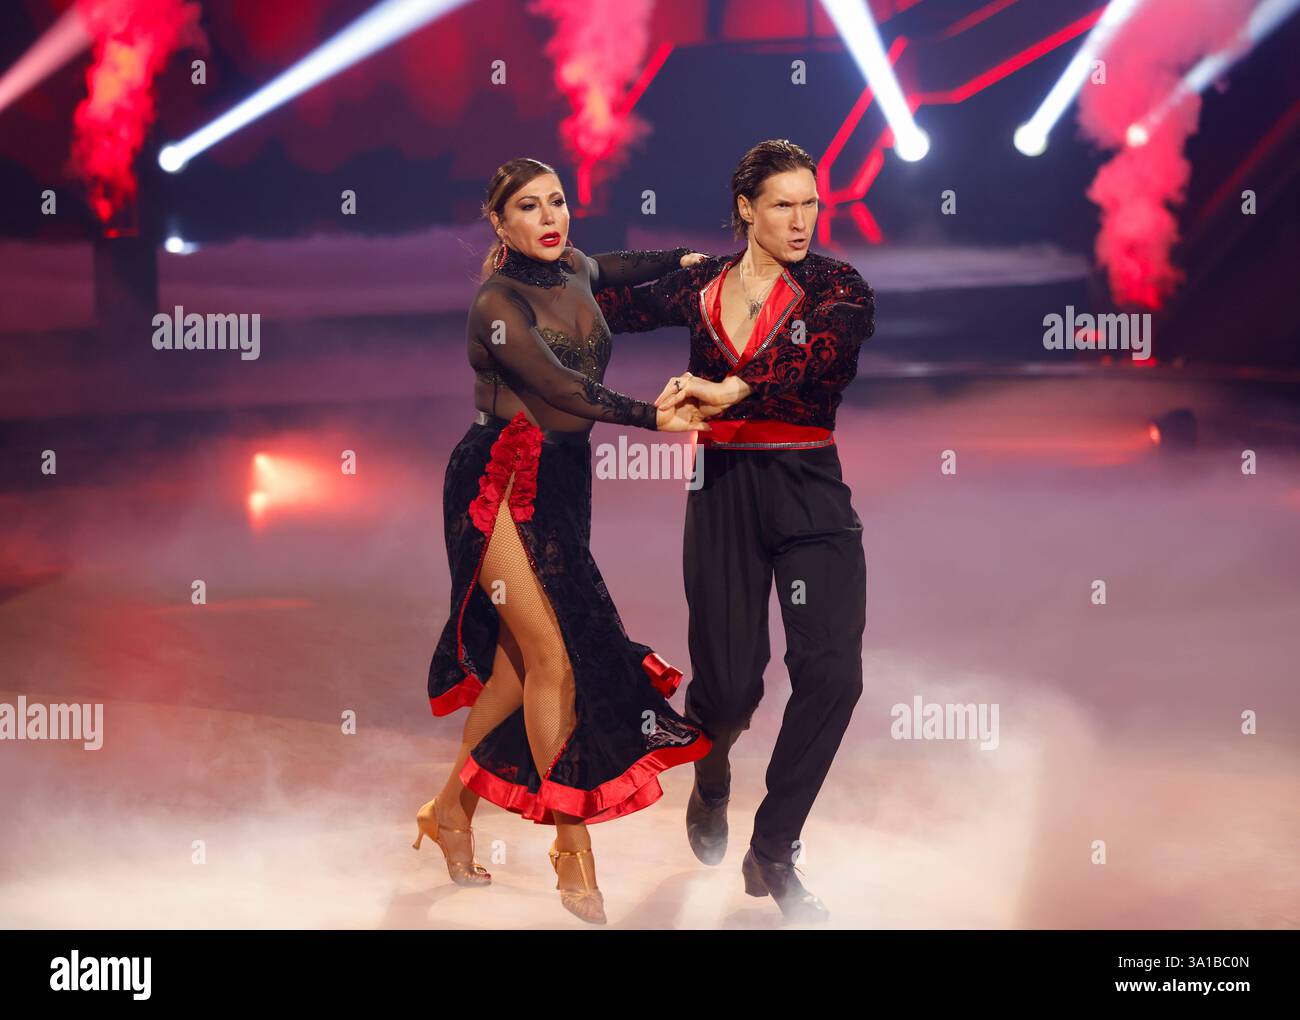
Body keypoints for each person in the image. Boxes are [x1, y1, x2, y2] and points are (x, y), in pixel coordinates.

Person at [421, 157, 715, 926]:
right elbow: (558, 389)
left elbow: (619, 267)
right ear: (499, 221)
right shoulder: (497, 299)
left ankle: (449, 810)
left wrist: (693, 261)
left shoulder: (573, 264)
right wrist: (654, 418)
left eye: (557, 202)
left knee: (520, 674)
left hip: (565, 483)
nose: (550, 218)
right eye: (529, 206)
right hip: (499, 484)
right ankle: (572, 850)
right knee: (554, 658)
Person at [595, 139, 876, 923]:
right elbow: (598, 307)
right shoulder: (701, 285)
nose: (801, 219)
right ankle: (711, 771)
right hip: (720, 493)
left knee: (833, 675)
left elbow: (815, 356)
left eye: (811, 203)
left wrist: (730, 389)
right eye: (782, 204)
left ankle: (775, 847)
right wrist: (531, 281)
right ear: (746, 210)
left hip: (810, 494)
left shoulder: (838, 287)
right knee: (729, 689)